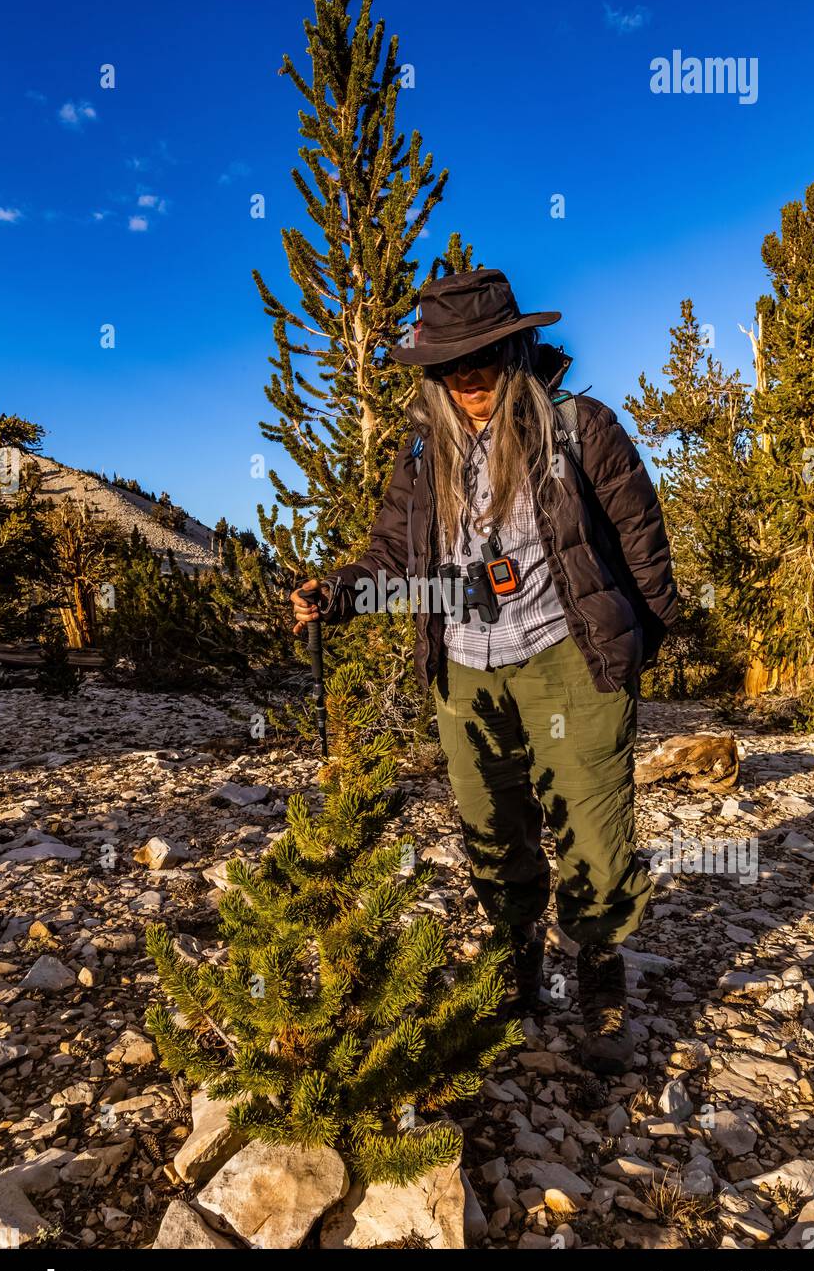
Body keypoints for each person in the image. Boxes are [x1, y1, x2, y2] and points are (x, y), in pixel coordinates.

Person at [291, 267, 678, 1076]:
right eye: (450, 364)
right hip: (464, 668)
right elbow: (392, 557)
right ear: (431, 372)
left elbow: (643, 542)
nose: (468, 378)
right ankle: (517, 967)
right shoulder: (422, 454)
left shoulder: (582, 428)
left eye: (484, 357)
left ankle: (600, 979)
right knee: (493, 833)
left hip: (566, 655)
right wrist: (337, 593)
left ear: (516, 348)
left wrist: (641, 642)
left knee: (596, 835)